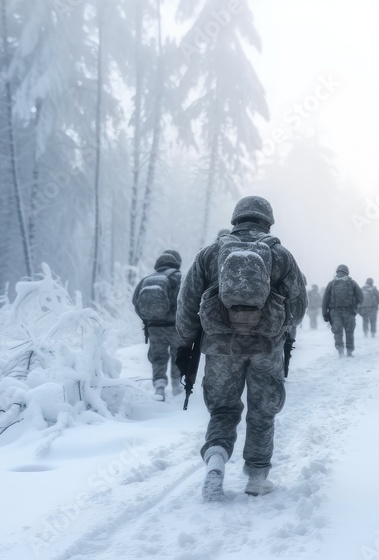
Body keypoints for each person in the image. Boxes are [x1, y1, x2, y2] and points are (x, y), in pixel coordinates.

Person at [176, 196, 307, 501]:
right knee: (263, 411)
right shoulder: (280, 255)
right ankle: (257, 478)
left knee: (223, 408)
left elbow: (187, 303)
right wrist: (281, 328)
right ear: (267, 221)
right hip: (266, 347)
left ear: (236, 219)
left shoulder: (210, 254)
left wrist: (185, 343)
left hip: (220, 347)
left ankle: (217, 459)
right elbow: (298, 307)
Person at [132, 251, 183, 401]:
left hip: (154, 328)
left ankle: (159, 388)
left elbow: (136, 302)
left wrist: (148, 319)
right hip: (175, 327)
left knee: (158, 357)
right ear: (176, 263)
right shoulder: (179, 278)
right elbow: (186, 301)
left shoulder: (147, 279)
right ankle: (176, 387)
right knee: (177, 355)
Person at [323, 265, 363, 357]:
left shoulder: (331, 283)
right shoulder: (352, 283)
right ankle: (349, 352)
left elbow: (325, 300)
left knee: (337, 332)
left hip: (335, 312)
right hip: (349, 312)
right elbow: (360, 297)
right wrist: (356, 308)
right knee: (349, 332)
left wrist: (325, 313)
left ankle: (340, 352)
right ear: (347, 272)